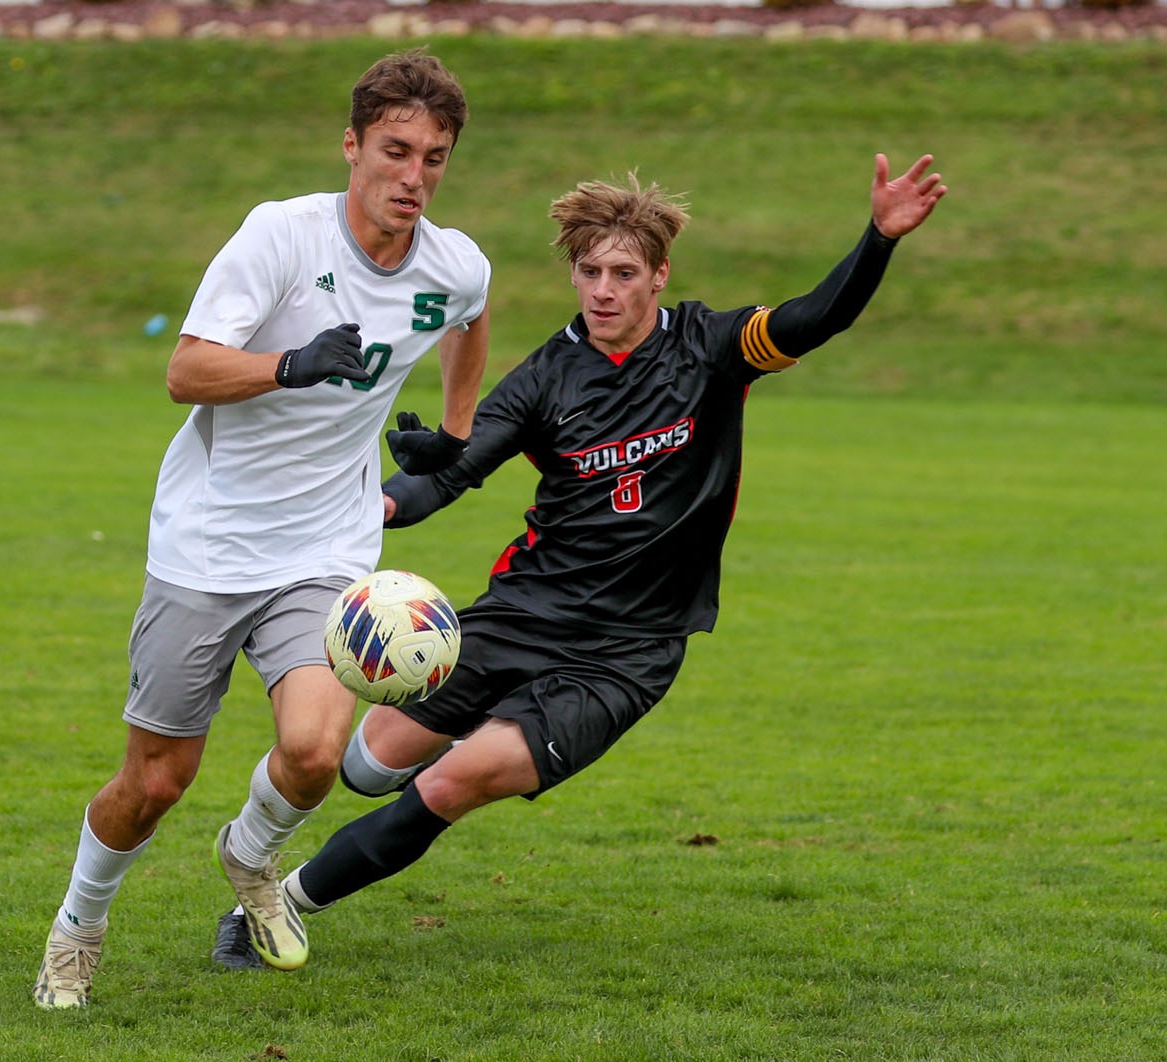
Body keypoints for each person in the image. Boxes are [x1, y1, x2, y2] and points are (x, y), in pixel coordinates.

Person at [211, 155, 947, 968]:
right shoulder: (546, 378)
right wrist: (392, 492)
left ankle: (273, 908)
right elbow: (453, 470)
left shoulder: (712, 346)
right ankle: (374, 793)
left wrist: (878, 238)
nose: (603, 290)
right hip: (522, 613)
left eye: (623, 273)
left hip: (628, 650)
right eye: (589, 271)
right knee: (365, 762)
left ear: (659, 276)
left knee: (457, 781)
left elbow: (815, 317)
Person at [33, 48, 493, 1008]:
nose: (413, 177)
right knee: (156, 780)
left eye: (435, 158)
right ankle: (79, 924)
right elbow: (187, 371)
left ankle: (249, 859)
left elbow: (469, 317)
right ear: (352, 146)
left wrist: (454, 435)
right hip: (208, 544)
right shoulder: (280, 238)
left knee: (318, 750)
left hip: (326, 550)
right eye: (396, 151)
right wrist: (290, 366)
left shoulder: (455, 264)